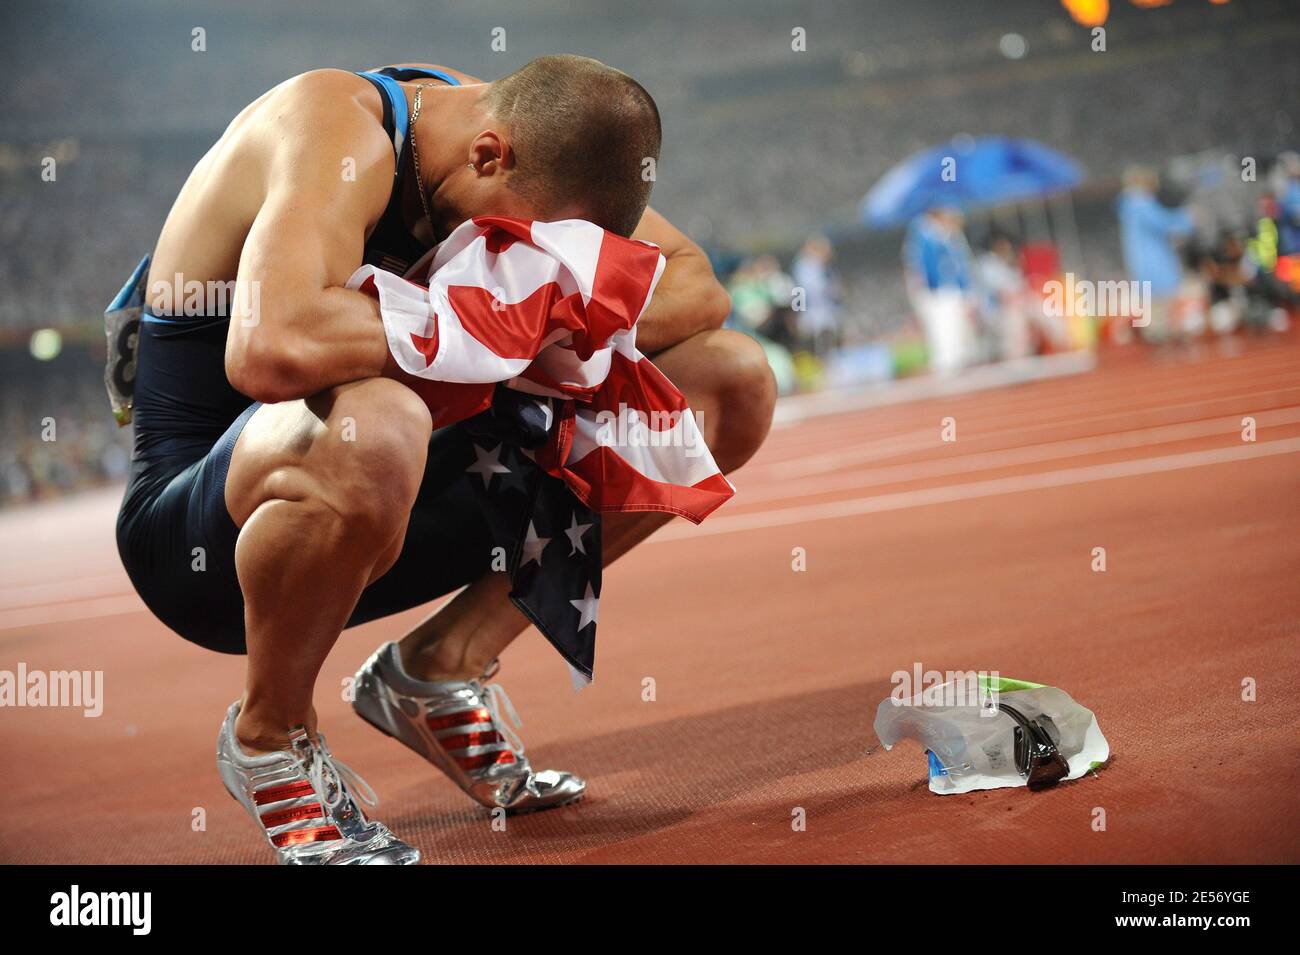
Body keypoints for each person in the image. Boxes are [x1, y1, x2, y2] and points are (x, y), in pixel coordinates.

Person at [113, 55, 776, 864]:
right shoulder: (334, 127)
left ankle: (434, 667)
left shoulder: (533, 140)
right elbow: (271, 344)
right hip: (212, 533)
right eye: (517, 236)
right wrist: (484, 328)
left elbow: (697, 284)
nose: (526, 255)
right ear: (488, 154)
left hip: (397, 487)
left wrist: (528, 321)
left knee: (729, 381)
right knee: (379, 415)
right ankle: (270, 735)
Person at [1116, 166, 1194, 342]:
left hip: (1140, 260)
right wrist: (1186, 219)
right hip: (1154, 259)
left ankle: (1159, 333)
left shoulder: (1129, 205)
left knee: (1154, 301)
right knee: (1163, 298)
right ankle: (1164, 333)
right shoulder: (1140, 203)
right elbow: (1162, 222)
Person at [902, 207, 976, 375]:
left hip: (945, 290)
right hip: (937, 292)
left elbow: (959, 267)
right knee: (943, 330)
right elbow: (926, 266)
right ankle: (946, 366)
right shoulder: (926, 236)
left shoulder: (946, 238)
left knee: (956, 330)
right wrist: (934, 287)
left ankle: (956, 363)